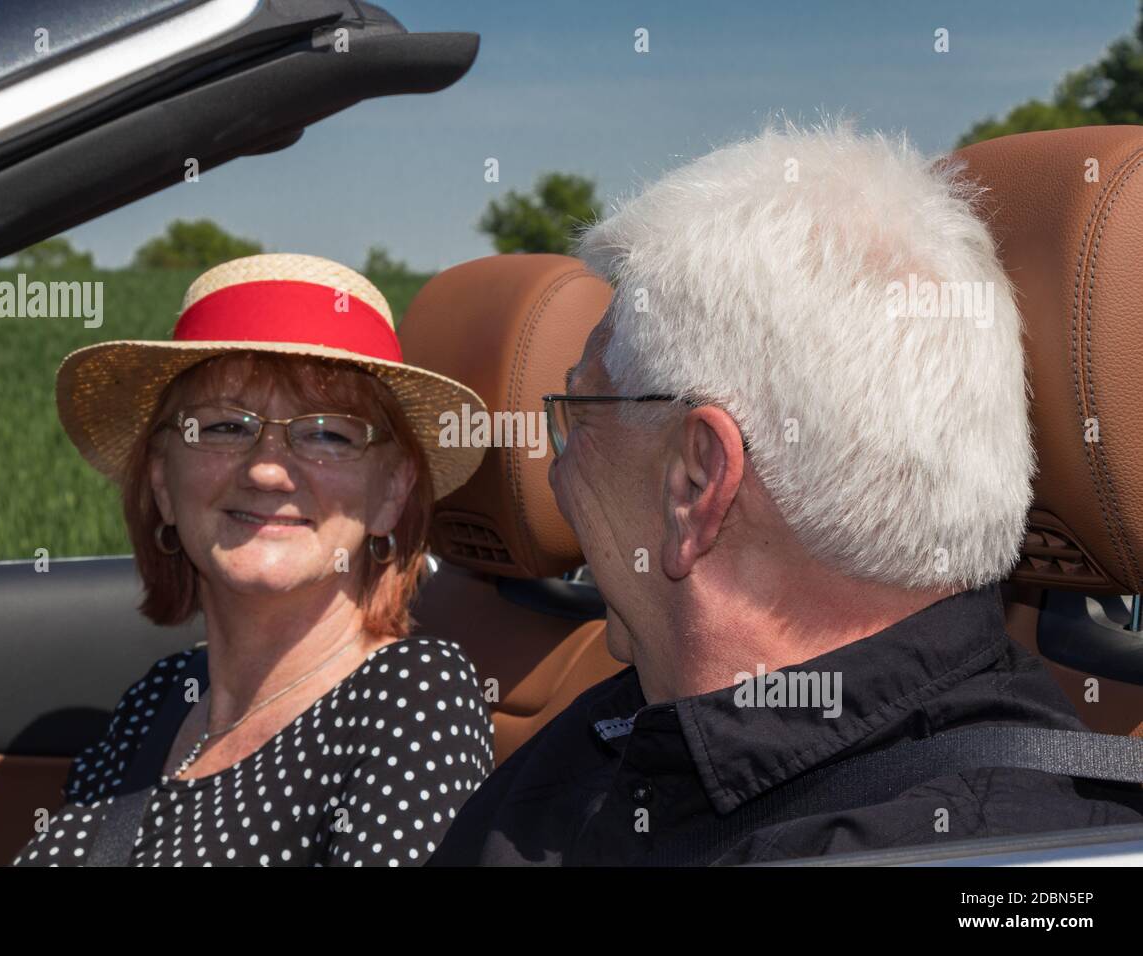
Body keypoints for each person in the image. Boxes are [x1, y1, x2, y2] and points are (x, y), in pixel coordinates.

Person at [428, 123, 1143, 866]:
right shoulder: (630, 724)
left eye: (577, 413)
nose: (555, 469)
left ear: (696, 482)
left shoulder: (990, 863)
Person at [14, 253, 494, 866]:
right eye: (222, 428)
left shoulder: (415, 699)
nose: (267, 470)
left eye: (327, 434)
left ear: (391, 494)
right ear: (163, 482)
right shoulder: (158, 701)